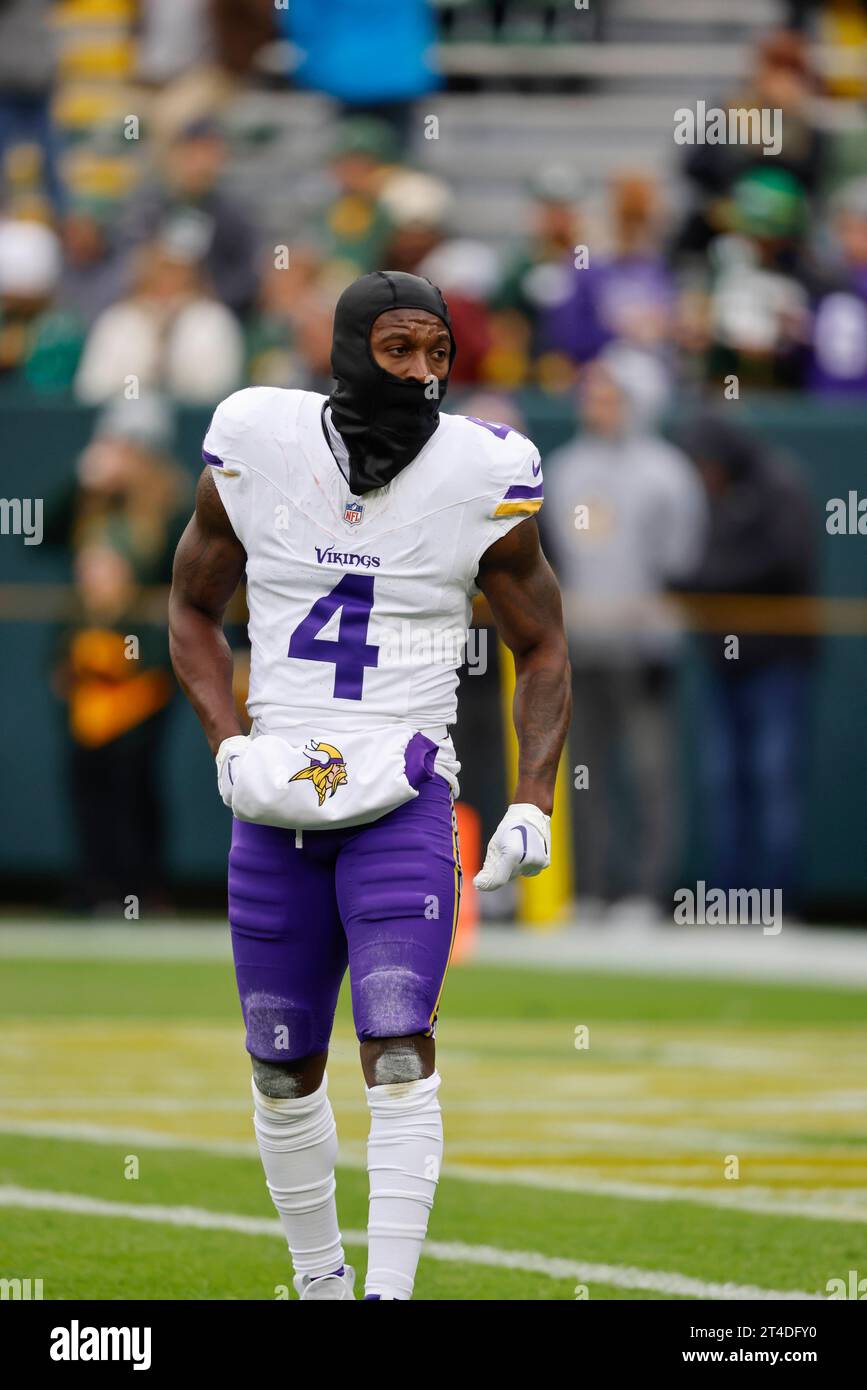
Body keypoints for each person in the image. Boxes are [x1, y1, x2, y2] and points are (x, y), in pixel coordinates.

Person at [168, 270, 570, 1300]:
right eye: (399, 351)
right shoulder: (259, 440)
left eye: (438, 354)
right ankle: (318, 1280)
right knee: (279, 1062)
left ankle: (386, 1295)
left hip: (402, 784)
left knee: (397, 1043)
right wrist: (225, 737)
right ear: (351, 351)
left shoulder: (484, 470)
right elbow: (190, 605)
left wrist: (532, 797)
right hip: (277, 789)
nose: (424, 374)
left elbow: (544, 641)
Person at [543, 345, 706, 920]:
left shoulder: (668, 473)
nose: (598, 407)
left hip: (645, 645)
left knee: (648, 771)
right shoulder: (564, 468)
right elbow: (555, 559)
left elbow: (682, 561)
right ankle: (592, 888)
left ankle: (645, 891)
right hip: (584, 643)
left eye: (611, 397)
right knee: (584, 773)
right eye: (594, 396)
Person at [677, 414, 817, 910]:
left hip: (777, 662)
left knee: (773, 775)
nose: (704, 473)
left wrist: (704, 581)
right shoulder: (714, 494)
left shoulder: (779, 484)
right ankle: (733, 898)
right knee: (724, 777)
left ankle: (779, 898)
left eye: (709, 462)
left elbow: (785, 561)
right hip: (726, 662)